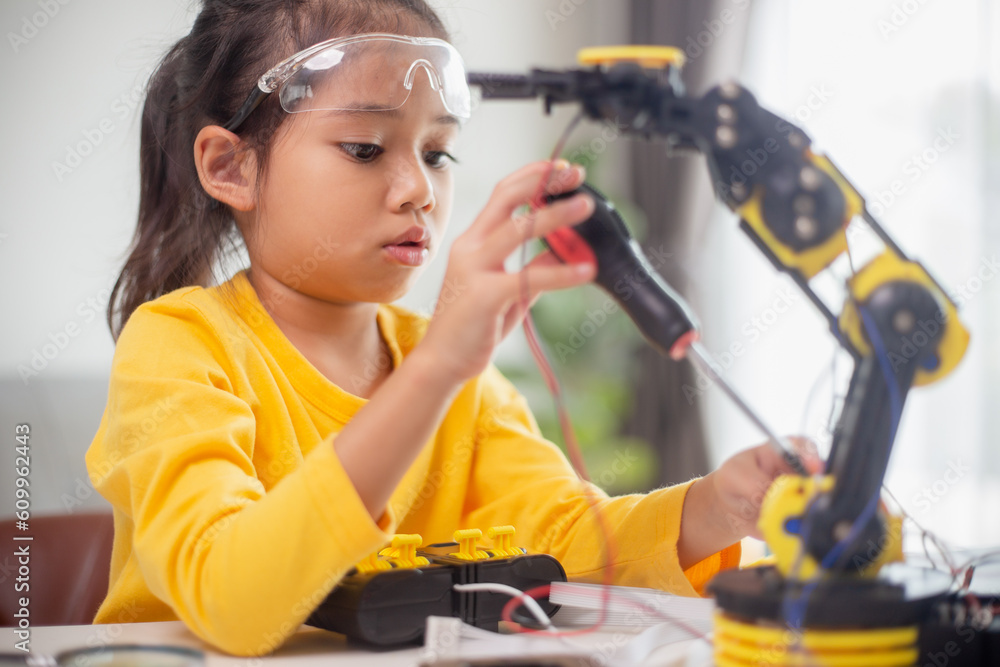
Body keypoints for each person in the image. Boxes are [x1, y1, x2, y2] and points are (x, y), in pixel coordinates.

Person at [86, 0, 816, 657]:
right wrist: (437, 368)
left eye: (438, 153)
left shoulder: (463, 383)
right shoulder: (179, 346)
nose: (419, 191)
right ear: (230, 166)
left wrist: (716, 508)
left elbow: (570, 539)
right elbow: (233, 600)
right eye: (365, 148)